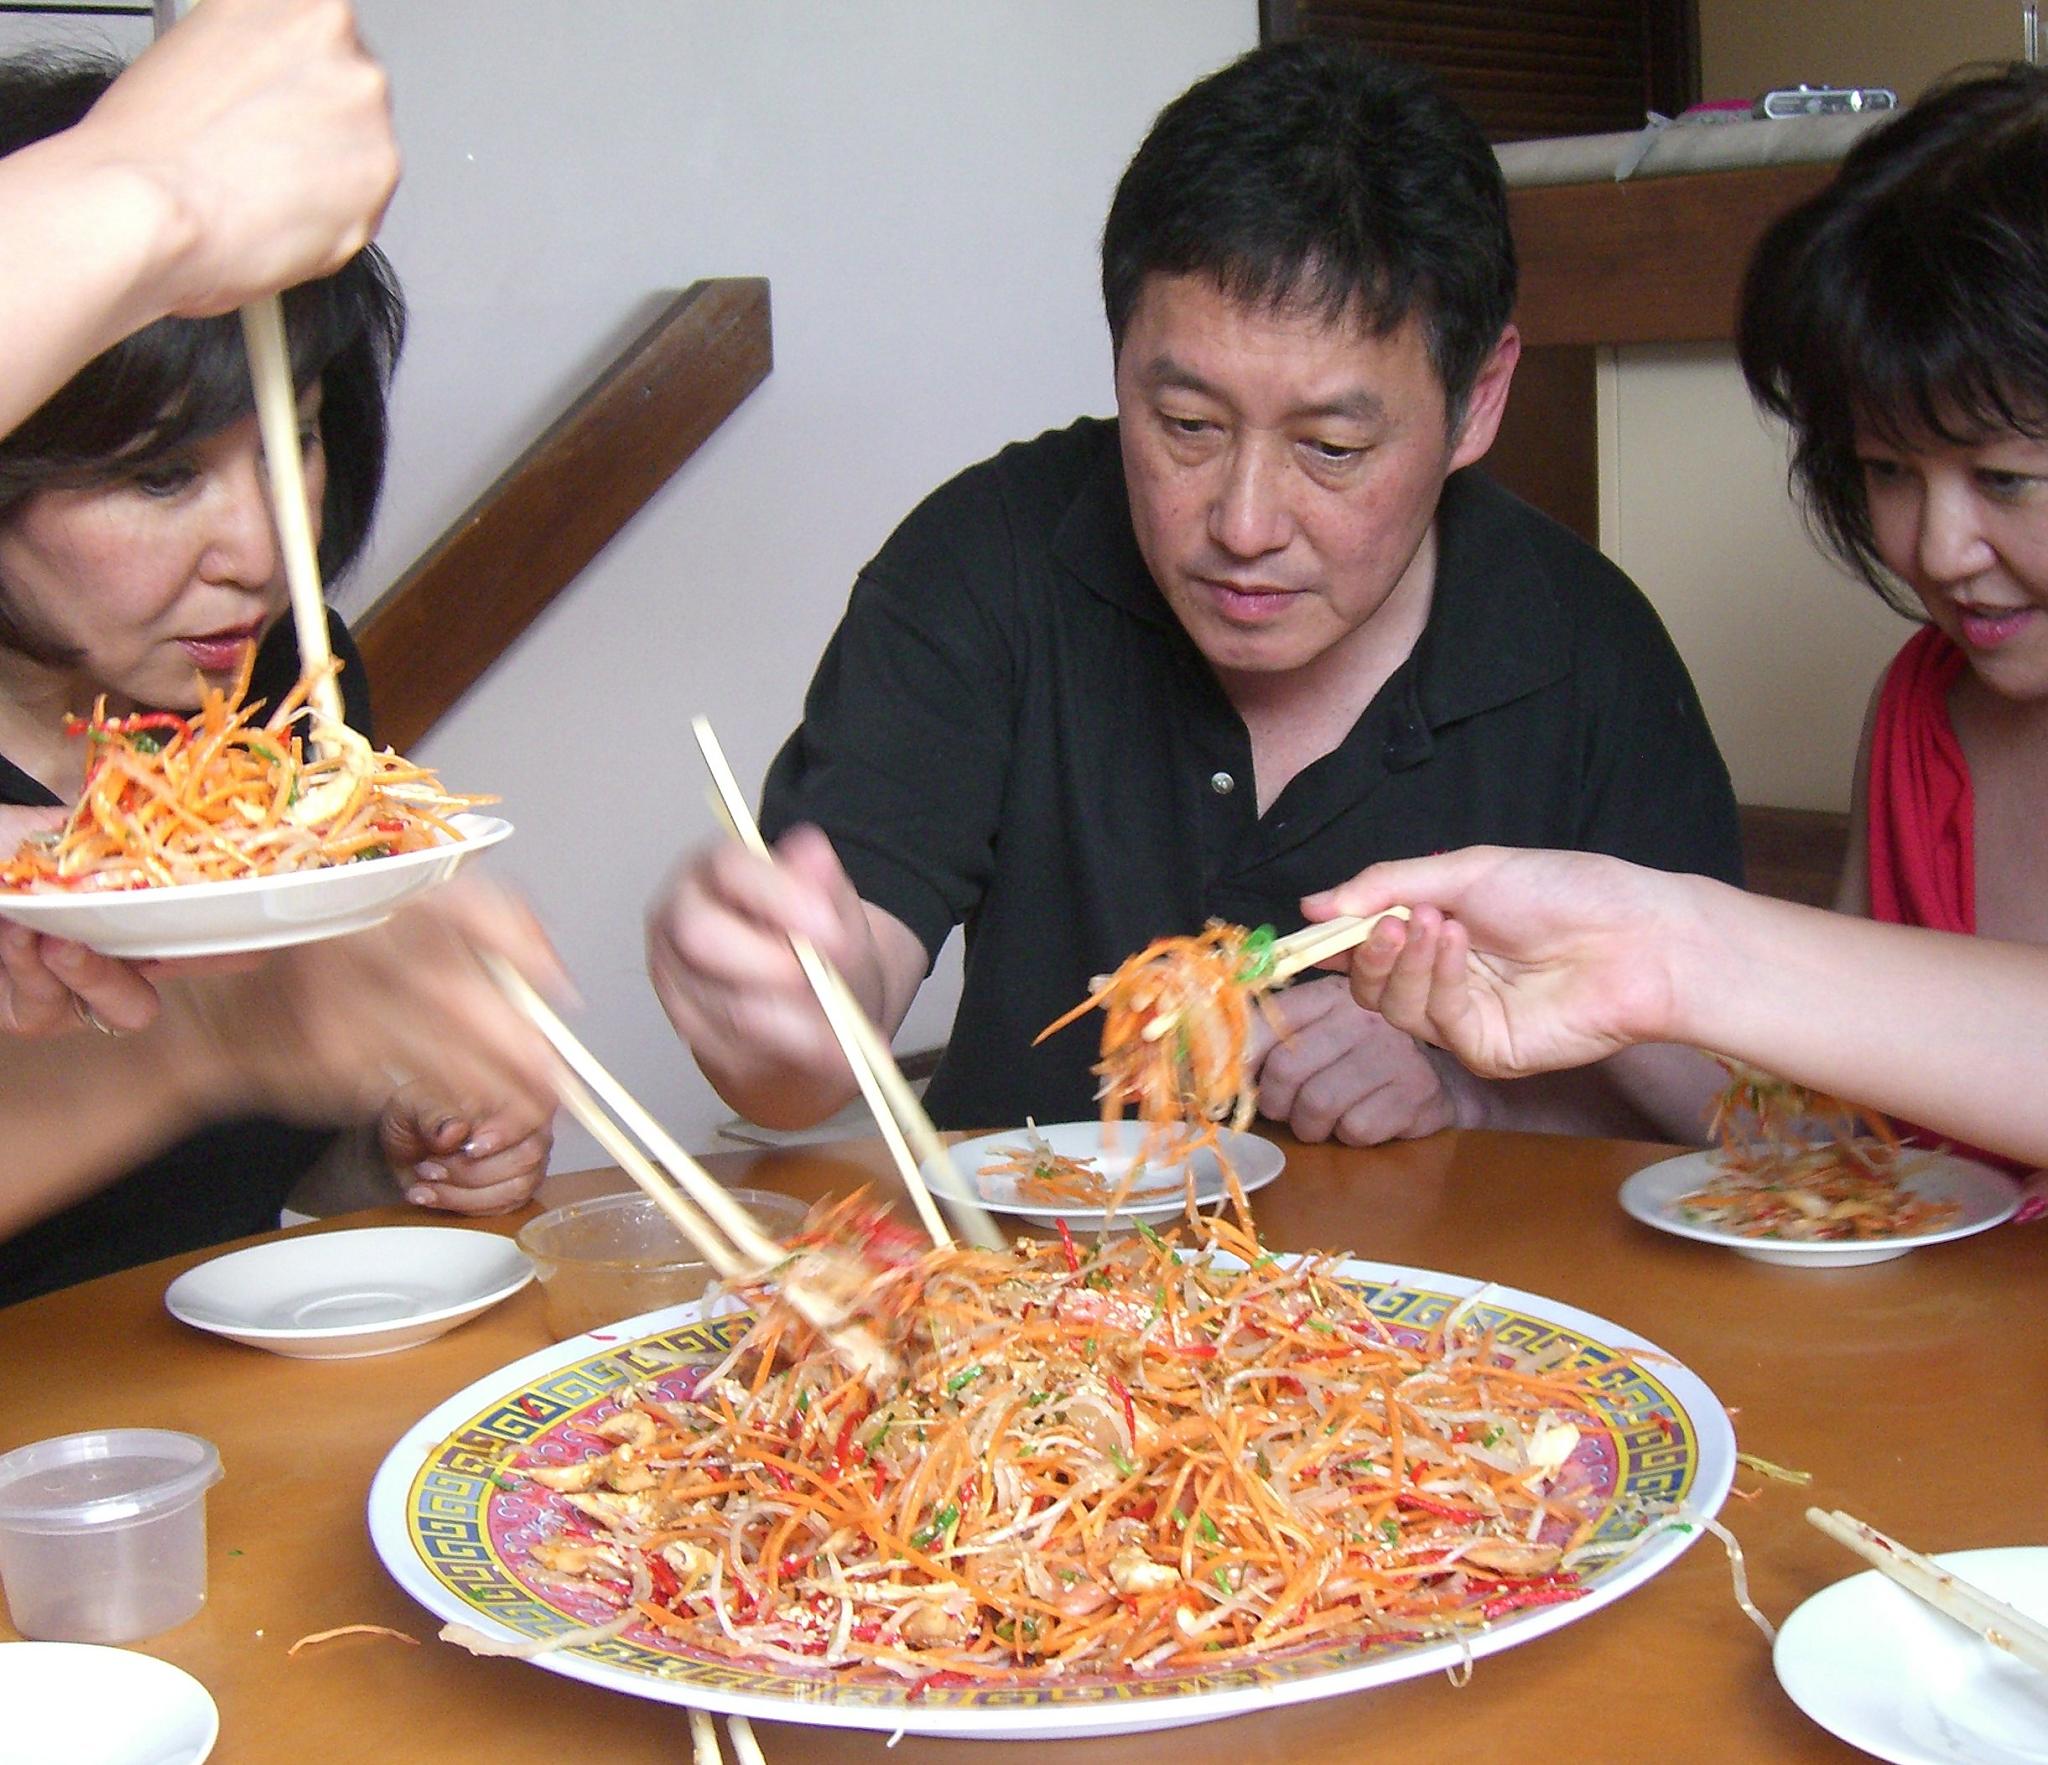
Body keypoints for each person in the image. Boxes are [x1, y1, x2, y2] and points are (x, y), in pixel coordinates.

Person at [648, 39, 1741, 1146]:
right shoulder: (987, 562)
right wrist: (785, 1022)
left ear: (1479, 399)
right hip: (1019, 1253)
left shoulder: (1581, 649)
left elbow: (1722, 1104)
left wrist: (1469, 1092)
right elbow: (821, 1031)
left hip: (1443, 1268)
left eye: (1330, 446)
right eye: (1186, 426)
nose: (1244, 525)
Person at [0, 8, 552, 1303]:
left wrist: (393, 1155)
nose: (260, 546)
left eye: (291, 440)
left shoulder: (287, 684)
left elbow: (227, 1194)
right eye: (159, 475)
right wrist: (205, 1042)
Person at [1729, 61, 2048, 1171]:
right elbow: (1838, 1110)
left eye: (2004, 479)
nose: (1939, 552)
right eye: (1888, 470)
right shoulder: (1919, 707)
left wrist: (1685, 950)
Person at [1308, 845, 2048, 1173]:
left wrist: (1657, 947)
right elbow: (1836, 1122)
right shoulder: (1916, 693)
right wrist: (1645, 948)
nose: (1947, 572)